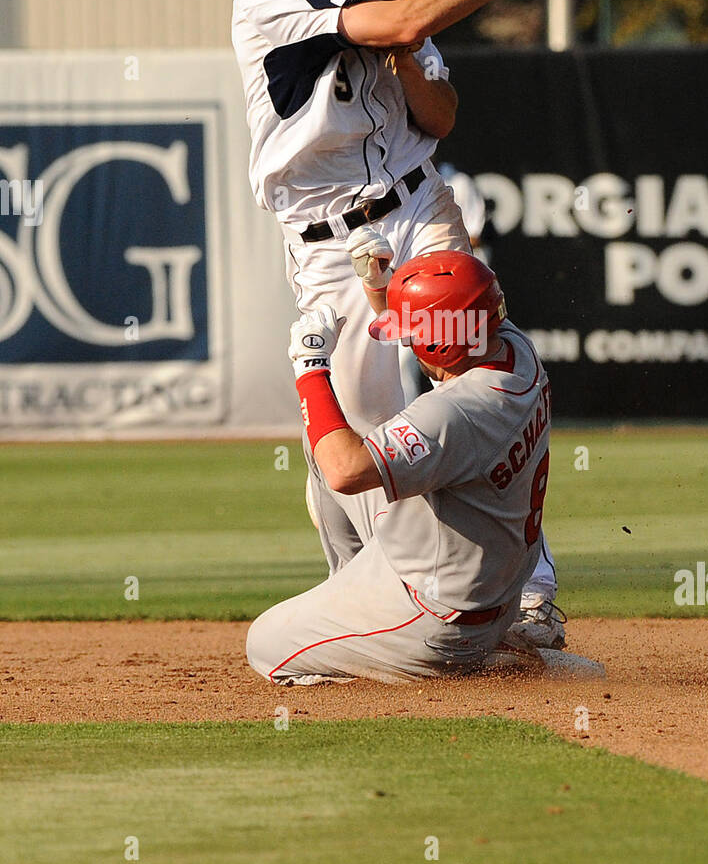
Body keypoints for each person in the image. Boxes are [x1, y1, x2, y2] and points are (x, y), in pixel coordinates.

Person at [232, 0, 576, 647]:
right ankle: (371, 593)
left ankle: (531, 600)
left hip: (421, 204)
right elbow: (410, 16)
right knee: (366, 428)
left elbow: (441, 116)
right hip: (332, 241)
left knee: (482, 375)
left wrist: (400, 42)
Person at [245, 251, 604, 685]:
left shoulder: (457, 413)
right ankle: (350, 603)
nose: (409, 343)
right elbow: (448, 325)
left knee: (265, 645)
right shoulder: (513, 348)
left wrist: (310, 368)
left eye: (414, 334)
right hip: (481, 586)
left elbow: (345, 469)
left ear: (441, 340)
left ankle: (478, 661)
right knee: (324, 440)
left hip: (438, 617)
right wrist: (382, 292)